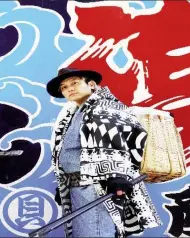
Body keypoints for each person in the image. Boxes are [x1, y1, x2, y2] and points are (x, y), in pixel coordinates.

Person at [47, 68, 161, 237]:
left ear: (91, 84)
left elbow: (116, 142)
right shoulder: (74, 113)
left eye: (74, 83)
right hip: (78, 186)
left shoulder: (105, 106)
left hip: (97, 186)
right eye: (64, 87)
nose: (69, 89)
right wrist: (66, 183)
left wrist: (117, 177)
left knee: (96, 233)